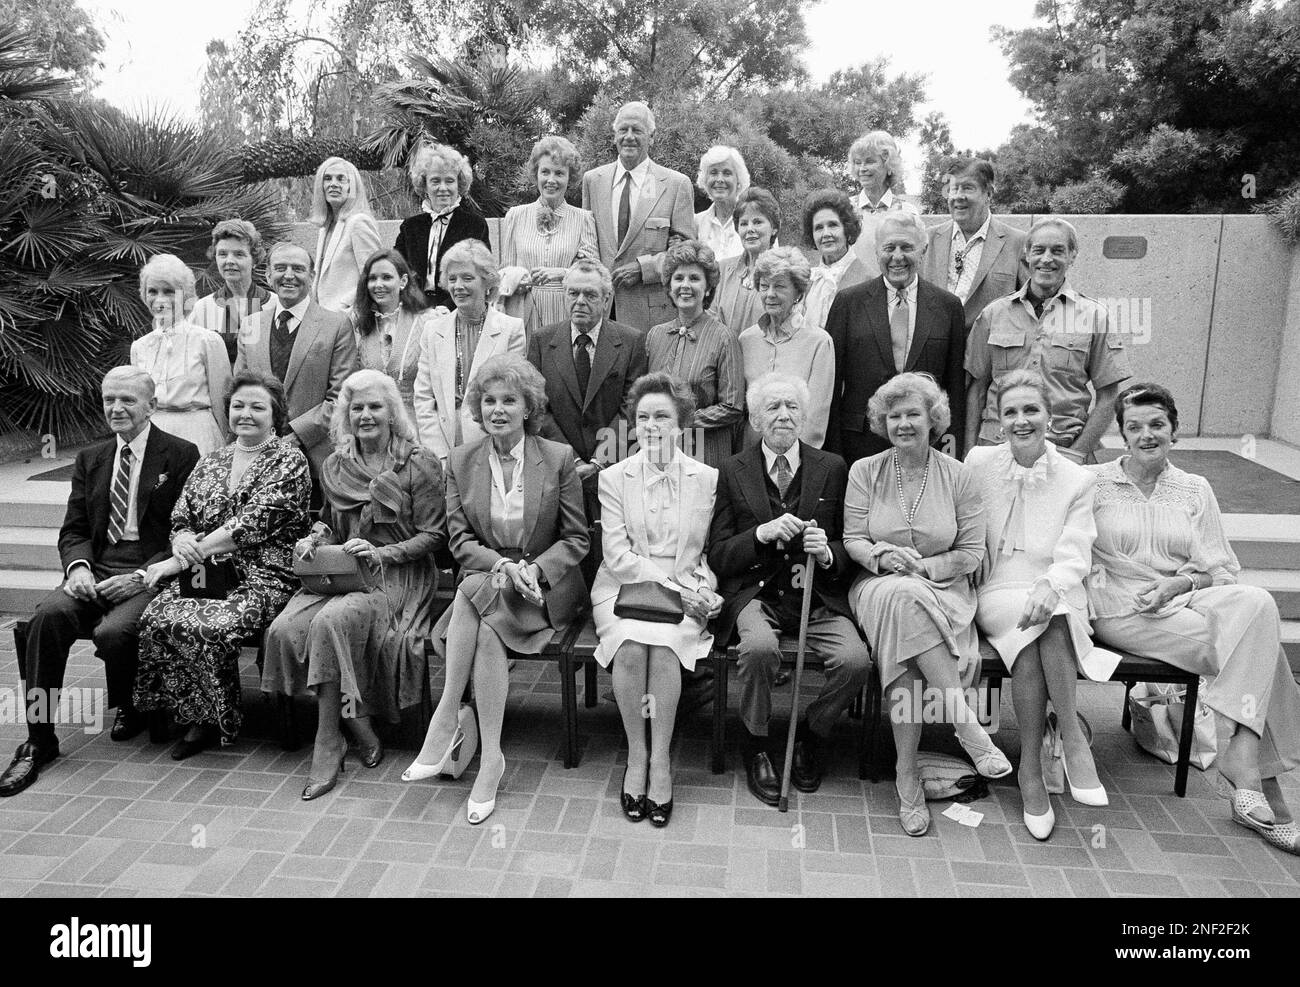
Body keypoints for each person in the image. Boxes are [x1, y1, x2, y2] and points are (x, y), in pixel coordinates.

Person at [1089, 383, 1300, 857]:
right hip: (1123, 608)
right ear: (1121, 433)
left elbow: (1221, 568)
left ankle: (1243, 762)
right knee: (1260, 653)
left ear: (1174, 431)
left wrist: (1180, 584)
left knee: (1257, 603)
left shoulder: (1193, 488)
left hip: (1184, 601)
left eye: (1157, 424)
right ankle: (1266, 793)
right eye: (1135, 426)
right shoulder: (1094, 484)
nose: (1147, 434)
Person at [403, 355, 589, 824]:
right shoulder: (461, 462)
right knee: (485, 619)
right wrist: (504, 565)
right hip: (493, 578)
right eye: (489, 400)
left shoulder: (557, 457)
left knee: (471, 596)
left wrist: (535, 571)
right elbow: (460, 541)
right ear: (478, 408)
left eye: (510, 400)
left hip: (545, 589)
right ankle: (490, 760)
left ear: (528, 408)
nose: (498, 409)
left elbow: (577, 539)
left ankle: (446, 717)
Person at [0, 368, 199, 797]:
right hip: (98, 567)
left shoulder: (180, 454)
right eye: (109, 399)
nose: (116, 408)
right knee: (45, 620)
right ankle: (39, 741)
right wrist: (78, 569)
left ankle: (130, 702)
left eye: (128, 399)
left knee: (113, 633)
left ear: (152, 405)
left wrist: (142, 575)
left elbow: (186, 529)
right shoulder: (91, 458)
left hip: (150, 570)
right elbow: (73, 529)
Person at [262, 369, 446, 800]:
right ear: (345, 414)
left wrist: (382, 553)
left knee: (331, 622)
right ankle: (357, 723)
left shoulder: (418, 462)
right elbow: (329, 520)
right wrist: (317, 538)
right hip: (342, 571)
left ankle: (328, 742)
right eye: (356, 407)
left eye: (374, 406)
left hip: (396, 575)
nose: (365, 415)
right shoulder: (335, 464)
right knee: (285, 629)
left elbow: (435, 536)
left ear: (392, 413)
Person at [843, 372, 1005, 836]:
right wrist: (883, 554)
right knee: (901, 596)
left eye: (913, 413)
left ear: (933, 419)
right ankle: (964, 723)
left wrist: (926, 569)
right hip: (877, 585)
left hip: (945, 590)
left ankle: (906, 776)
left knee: (907, 620)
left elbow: (972, 552)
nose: (903, 423)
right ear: (883, 422)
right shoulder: (864, 471)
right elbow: (853, 539)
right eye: (894, 416)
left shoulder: (959, 477)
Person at [708, 372, 870, 806]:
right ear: (757, 419)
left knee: (855, 662)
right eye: (772, 408)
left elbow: (849, 544)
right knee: (759, 649)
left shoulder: (833, 467)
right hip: (756, 596)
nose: (783, 416)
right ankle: (756, 741)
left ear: (804, 415)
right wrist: (759, 534)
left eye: (792, 407)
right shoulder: (731, 469)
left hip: (816, 597)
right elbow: (719, 554)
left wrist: (830, 551)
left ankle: (811, 736)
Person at [966, 370, 1112, 841]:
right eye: (1011, 412)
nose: (1021, 420)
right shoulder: (978, 462)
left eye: (1031, 410)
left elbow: (1077, 551)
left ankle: (1032, 767)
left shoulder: (1076, 477)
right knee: (1044, 619)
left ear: (1050, 417)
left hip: (1056, 588)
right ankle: (1070, 737)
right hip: (996, 588)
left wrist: (1050, 585)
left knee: (1045, 622)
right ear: (998, 419)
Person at [133, 371, 312, 758]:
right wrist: (181, 540)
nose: (245, 414)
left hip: (265, 575)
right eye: (238, 405)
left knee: (209, 624)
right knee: (158, 617)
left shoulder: (289, 459)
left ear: (275, 414)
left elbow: (250, 525)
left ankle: (214, 722)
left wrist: (179, 562)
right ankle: (190, 712)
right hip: (206, 573)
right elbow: (182, 517)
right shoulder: (211, 459)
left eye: (257, 407)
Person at [591, 373, 722, 827]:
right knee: (630, 646)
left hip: (686, 583)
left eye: (662, 416)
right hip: (624, 588)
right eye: (643, 416)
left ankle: (662, 762)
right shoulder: (613, 477)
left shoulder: (707, 478)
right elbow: (617, 555)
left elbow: (708, 549)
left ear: (682, 422)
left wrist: (703, 589)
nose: (651, 425)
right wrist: (677, 589)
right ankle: (637, 756)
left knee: (664, 649)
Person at [965, 217, 1130, 461]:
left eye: (1058, 251)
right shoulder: (994, 314)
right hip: (997, 448)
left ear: (1072, 256)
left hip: (1063, 448)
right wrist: (971, 453)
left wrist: (1078, 452)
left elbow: (1109, 396)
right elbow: (976, 389)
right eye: (1039, 250)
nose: (1047, 259)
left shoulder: (1095, 316)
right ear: (1027, 255)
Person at [825, 212, 967, 464]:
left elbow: (954, 388)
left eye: (907, 247)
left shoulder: (948, 307)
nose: (897, 256)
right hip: (859, 444)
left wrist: (950, 451)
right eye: (889, 248)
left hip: (926, 445)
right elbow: (832, 386)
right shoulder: (848, 303)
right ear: (877, 252)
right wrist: (833, 454)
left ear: (922, 251)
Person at [527, 258, 648, 532]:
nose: (580, 301)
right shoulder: (541, 341)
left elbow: (632, 407)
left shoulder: (631, 342)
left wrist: (598, 462)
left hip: (613, 469)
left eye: (590, 294)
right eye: (573, 293)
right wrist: (571, 460)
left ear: (607, 300)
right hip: (556, 467)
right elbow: (537, 407)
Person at [234, 242, 358, 477]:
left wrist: (297, 436)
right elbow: (240, 391)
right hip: (256, 455)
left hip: (315, 457)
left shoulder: (337, 325)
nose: (288, 275)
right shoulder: (251, 325)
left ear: (311, 276)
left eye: (298, 269)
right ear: (269, 276)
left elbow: (341, 396)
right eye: (280, 268)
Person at [581, 101, 695, 332]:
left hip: (651, 314)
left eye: (637, 130)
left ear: (651, 137)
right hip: (602, 310)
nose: (629, 137)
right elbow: (587, 242)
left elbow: (685, 253)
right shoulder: (593, 180)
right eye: (623, 130)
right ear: (614, 135)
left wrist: (644, 269)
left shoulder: (675, 184)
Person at [414, 239, 527, 467]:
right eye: (452, 278)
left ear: (487, 282)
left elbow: (511, 395)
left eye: (467, 278)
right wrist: (440, 455)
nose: (458, 286)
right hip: (442, 446)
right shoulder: (432, 330)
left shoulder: (511, 329)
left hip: (492, 448)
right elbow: (423, 397)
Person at [645, 240, 743, 468]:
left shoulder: (724, 337)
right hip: (659, 451)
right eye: (678, 278)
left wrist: (682, 421)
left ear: (708, 287)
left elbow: (733, 407)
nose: (685, 285)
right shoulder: (655, 335)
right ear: (669, 287)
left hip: (705, 451)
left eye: (694, 278)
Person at [130, 254, 232, 456]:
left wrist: (227, 450)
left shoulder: (207, 341)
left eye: (169, 291)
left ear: (185, 296)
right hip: (153, 435)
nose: (160, 299)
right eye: (153, 291)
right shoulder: (139, 347)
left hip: (198, 433)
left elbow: (222, 402)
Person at [497, 135, 598, 335]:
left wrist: (562, 273)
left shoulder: (583, 219)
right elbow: (505, 271)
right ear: (536, 174)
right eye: (545, 172)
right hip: (523, 311)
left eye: (559, 173)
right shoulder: (515, 216)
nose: (551, 180)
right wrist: (517, 281)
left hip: (566, 312)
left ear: (570, 178)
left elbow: (592, 273)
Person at [738, 246, 835, 448]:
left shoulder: (819, 342)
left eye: (780, 286)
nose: (770, 294)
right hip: (751, 458)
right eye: (764, 286)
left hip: (797, 460)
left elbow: (815, 418)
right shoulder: (746, 340)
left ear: (798, 292)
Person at [921, 158, 1028, 331]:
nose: (958, 196)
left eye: (968, 188)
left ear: (989, 194)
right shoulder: (928, 239)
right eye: (954, 189)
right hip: (936, 353)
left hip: (989, 353)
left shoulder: (1017, 242)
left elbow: (1031, 308)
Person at [394, 142, 491, 311]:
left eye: (449, 181)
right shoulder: (410, 227)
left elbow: (481, 275)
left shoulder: (475, 225)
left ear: (459, 185)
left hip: (458, 309)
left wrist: (447, 308)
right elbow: (397, 270)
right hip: (415, 311)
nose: (443, 188)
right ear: (424, 185)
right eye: (435, 181)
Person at [351, 248, 431, 425]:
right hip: (373, 427)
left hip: (417, 427)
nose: (378, 284)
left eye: (386, 277)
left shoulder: (427, 322)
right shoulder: (359, 327)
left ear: (402, 281)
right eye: (372, 278)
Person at [191, 219, 272, 365]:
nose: (229, 261)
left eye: (239, 254)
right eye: (222, 254)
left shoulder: (275, 304)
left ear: (254, 260)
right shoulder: (202, 308)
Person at [309, 157, 383, 312]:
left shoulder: (359, 222)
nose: (333, 184)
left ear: (352, 187)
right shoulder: (324, 228)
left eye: (341, 179)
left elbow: (374, 273)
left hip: (349, 316)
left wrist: (345, 305)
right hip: (324, 315)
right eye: (327, 178)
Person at [846, 131, 922, 278]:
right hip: (850, 293)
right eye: (857, 162)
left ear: (888, 165)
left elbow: (915, 259)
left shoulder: (907, 211)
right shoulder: (845, 208)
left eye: (869, 161)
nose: (862, 168)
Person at [799, 188, 871, 335]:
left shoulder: (867, 280)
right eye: (818, 228)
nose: (826, 234)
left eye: (832, 225)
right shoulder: (808, 279)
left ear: (847, 228)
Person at [710, 187, 780, 338]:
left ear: (774, 228)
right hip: (724, 358)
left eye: (757, 222)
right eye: (744, 224)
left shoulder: (785, 273)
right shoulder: (722, 269)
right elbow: (710, 320)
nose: (750, 229)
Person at [693, 145, 750, 263]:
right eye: (713, 173)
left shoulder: (755, 220)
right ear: (705, 180)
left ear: (738, 180)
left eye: (727, 173)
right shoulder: (695, 223)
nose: (719, 179)